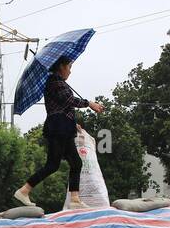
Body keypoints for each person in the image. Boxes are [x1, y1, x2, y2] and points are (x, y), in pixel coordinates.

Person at [13, 57, 104, 210]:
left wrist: (72, 123)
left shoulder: (57, 82)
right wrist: (90, 104)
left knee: (76, 163)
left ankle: (75, 200)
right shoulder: (54, 82)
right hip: (58, 128)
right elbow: (68, 100)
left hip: (64, 127)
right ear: (61, 67)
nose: (70, 70)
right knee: (52, 165)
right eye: (69, 66)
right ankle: (24, 190)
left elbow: (61, 107)